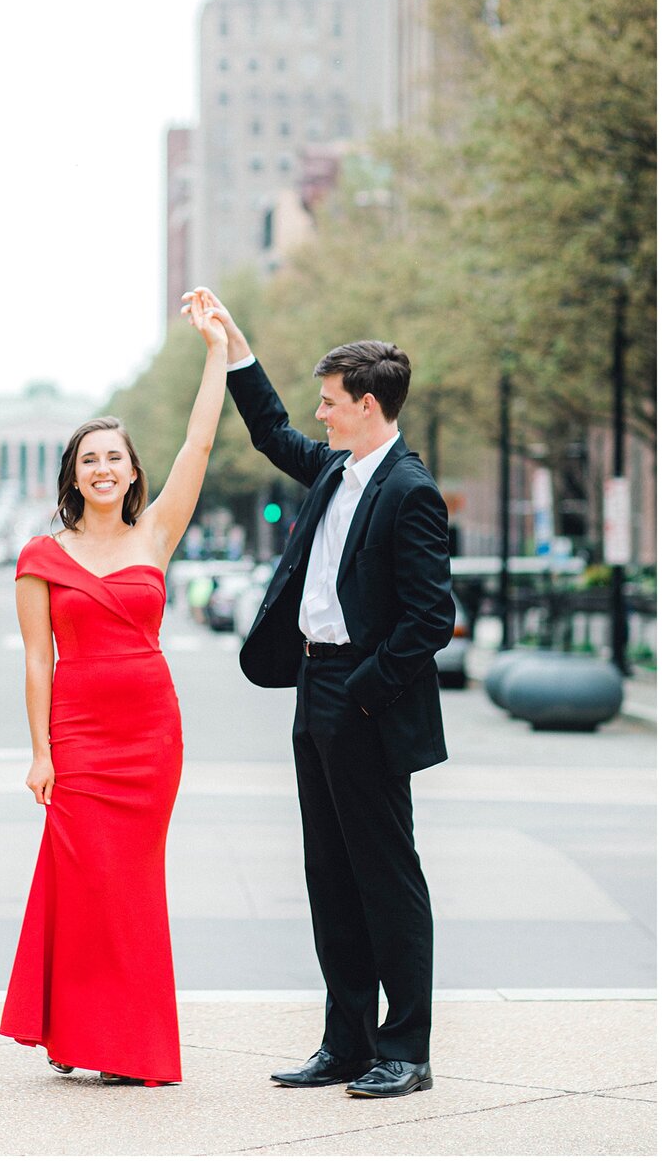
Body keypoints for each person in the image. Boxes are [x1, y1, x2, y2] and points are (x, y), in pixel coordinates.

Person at [182, 287, 454, 1100]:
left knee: (385, 875)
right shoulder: (337, 468)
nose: (320, 413)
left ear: (368, 405)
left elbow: (430, 617)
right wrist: (234, 344)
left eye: (330, 401)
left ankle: (405, 1049)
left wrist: (364, 691)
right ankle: (347, 1042)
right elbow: (272, 431)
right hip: (315, 685)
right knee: (329, 874)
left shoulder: (409, 490)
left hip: (365, 698)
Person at [0, 292, 228, 1086]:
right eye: (89, 458)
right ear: (73, 474)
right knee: (85, 882)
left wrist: (216, 351)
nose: (103, 468)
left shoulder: (156, 532)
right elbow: (37, 661)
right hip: (79, 735)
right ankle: (80, 1030)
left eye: (114, 457)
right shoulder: (40, 556)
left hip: (149, 735)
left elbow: (200, 441)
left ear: (133, 471)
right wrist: (40, 753)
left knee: (130, 886)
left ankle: (123, 1043)